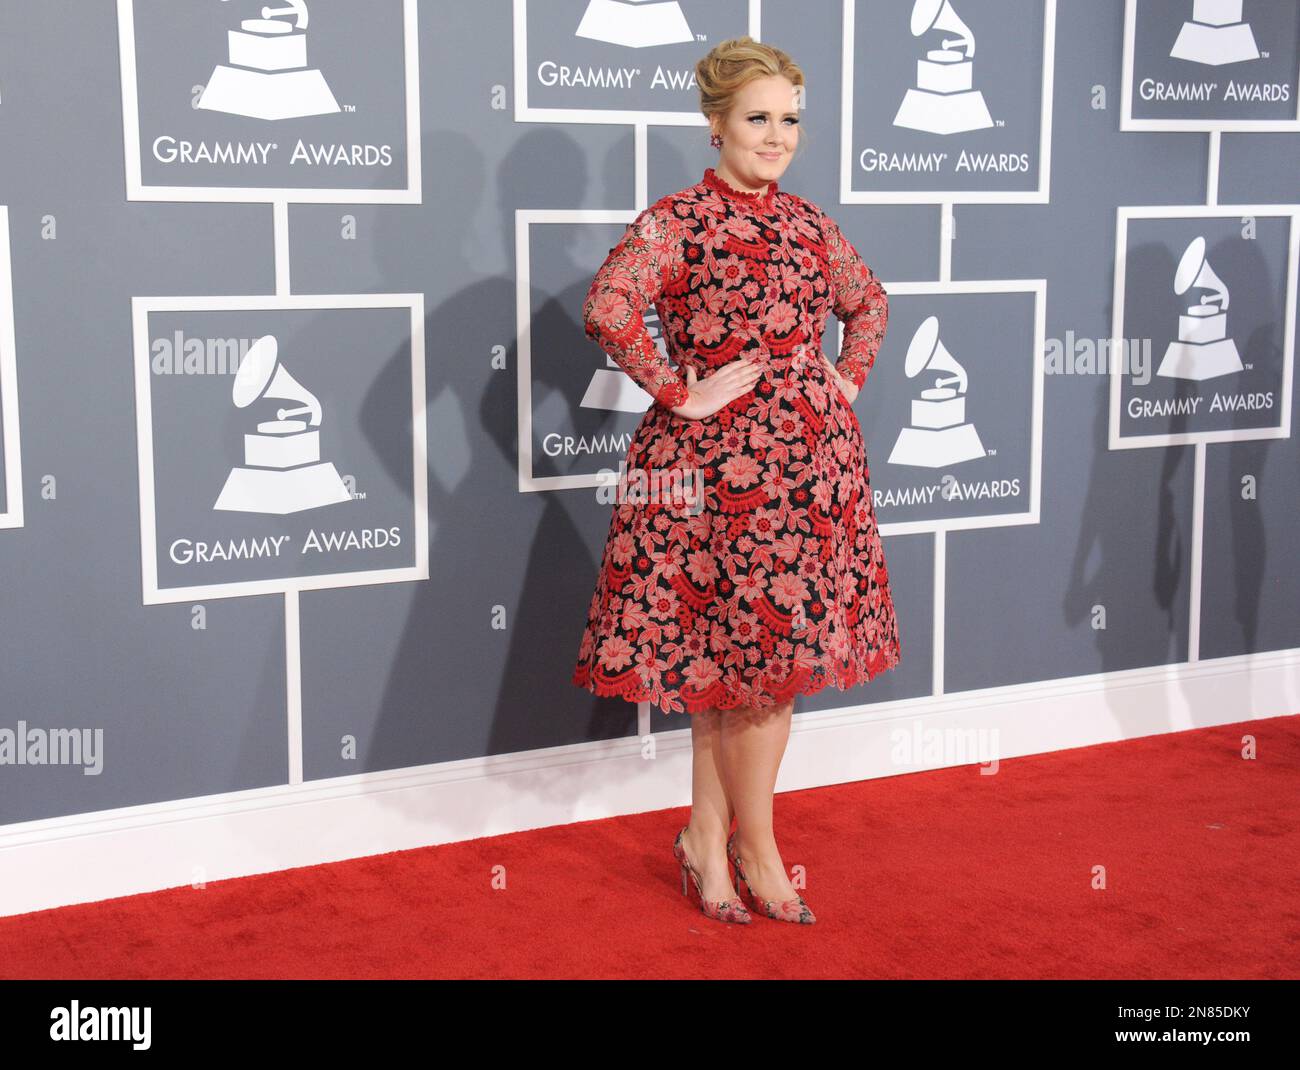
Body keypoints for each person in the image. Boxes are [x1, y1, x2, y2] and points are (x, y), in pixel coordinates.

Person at [571, 36, 901, 925]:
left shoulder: (810, 224)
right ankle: (756, 848)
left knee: (761, 671)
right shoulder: (677, 220)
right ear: (715, 123)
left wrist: (845, 378)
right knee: (729, 665)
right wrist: (681, 390)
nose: (777, 135)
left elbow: (868, 303)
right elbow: (609, 306)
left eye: (790, 119)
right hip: (712, 474)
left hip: (810, 475)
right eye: (757, 118)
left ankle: (704, 840)